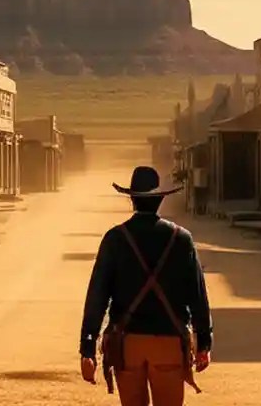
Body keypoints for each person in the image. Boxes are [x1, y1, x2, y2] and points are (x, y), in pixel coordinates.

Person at [79, 165, 213, 406]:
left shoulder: (115, 239)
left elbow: (97, 296)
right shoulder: (181, 239)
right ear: (161, 198)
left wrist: (87, 348)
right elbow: (197, 295)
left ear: (131, 198)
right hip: (169, 342)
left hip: (127, 343)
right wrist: (204, 342)